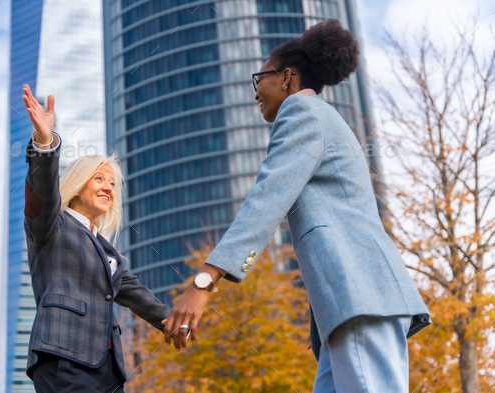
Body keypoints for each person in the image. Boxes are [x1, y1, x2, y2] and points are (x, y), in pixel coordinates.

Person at [162, 19, 431, 392]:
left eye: (260, 79)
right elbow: (341, 219)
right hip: (350, 304)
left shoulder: (302, 113)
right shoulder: (324, 120)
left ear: (286, 77)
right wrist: (321, 312)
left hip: (360, 300)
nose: (256, 93)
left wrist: (204, 282)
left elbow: (269, 196)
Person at [21, 84, 170, 392]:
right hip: (64, 355)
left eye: (112, 183)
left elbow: (136, 293)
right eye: (99, 178)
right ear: (77, 184)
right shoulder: (52, 224)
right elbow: (43, 194)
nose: (108, 188)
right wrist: (45, 142)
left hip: (109, 368)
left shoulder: (107, 250)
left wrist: (173, 321)